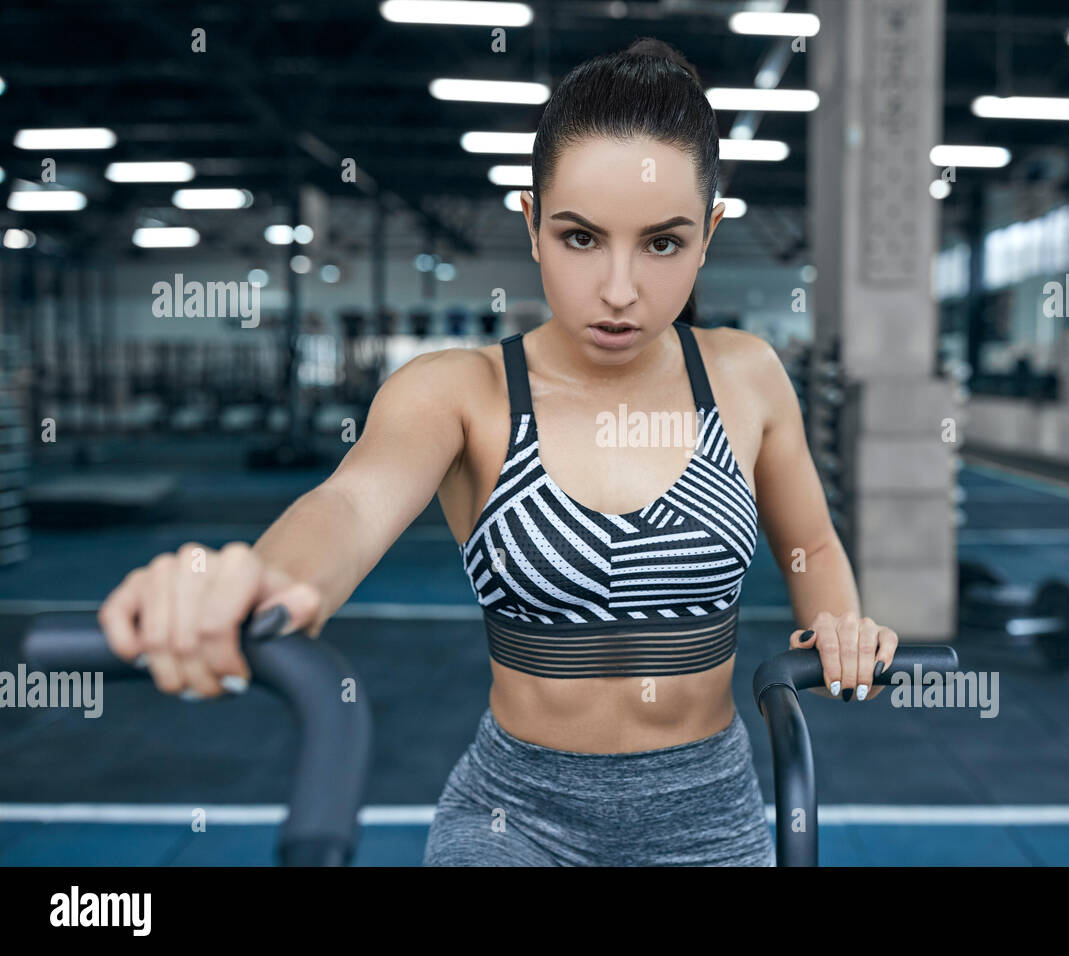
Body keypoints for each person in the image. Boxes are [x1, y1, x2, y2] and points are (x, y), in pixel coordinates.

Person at [96, 37, 901, 867]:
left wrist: (839, 623)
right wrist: (254, 579)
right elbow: (346, 505)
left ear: (707, 236)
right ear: (530, 223)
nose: (619, 290)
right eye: (580, 238)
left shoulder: (748, 376)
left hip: (713, 820)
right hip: (515, 822)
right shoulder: (458, 392)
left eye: (662, 243)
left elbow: (812, 544)